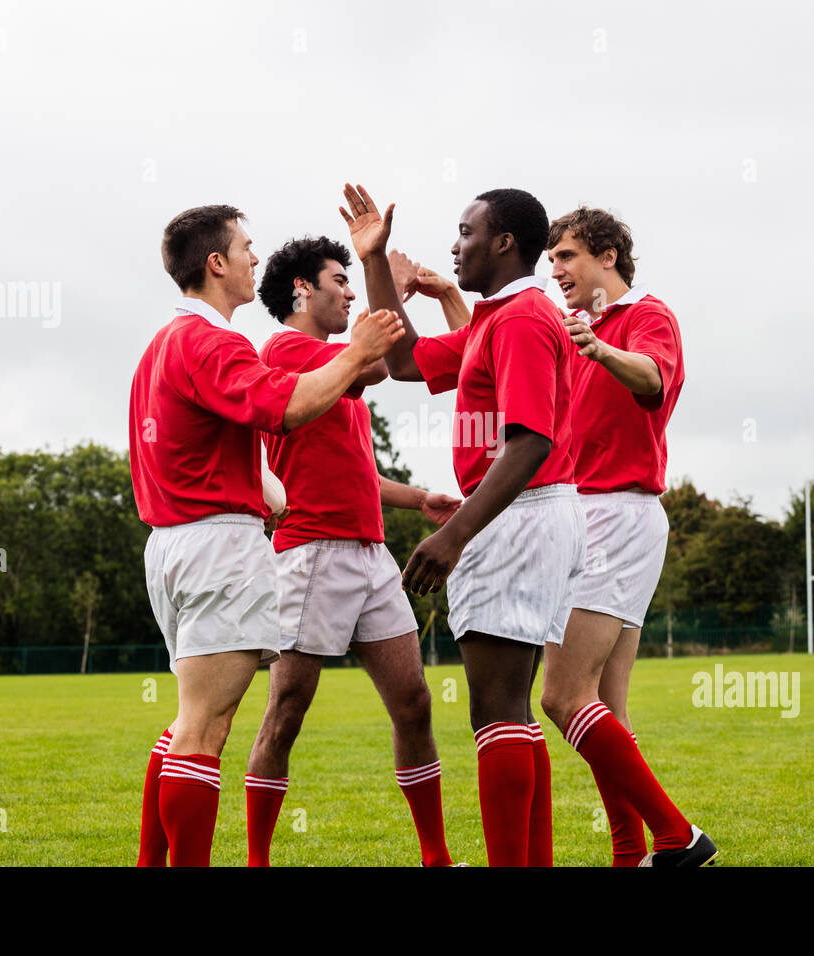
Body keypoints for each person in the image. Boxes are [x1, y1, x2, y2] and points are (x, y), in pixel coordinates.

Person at [129, 204, 403, 866]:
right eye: (246, 248)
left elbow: (221, 445)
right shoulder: (213, 341)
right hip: (216, 547)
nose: (257, 258)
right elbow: (286, 409)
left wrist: (265, 491)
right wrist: (358, 352)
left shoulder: (160, 346)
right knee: (206, 728)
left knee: (186, 723)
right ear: (216, 263)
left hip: (174, 545)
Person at [341, 182, 584, 867]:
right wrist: (374, 259)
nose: (455, 245)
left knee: (496, 712)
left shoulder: (523, 321)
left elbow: (531, 440)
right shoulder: (492, 320)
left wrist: (453, 535)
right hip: (530, 517)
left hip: (520, 516)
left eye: (466, 231)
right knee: (512, 708)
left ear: (505, 243)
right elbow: (405, 360)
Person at [243, 234, 463, 867]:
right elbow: (377, 359)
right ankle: (258, 861)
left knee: (414, 703)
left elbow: (356, 465)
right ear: (301, 290)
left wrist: (418, 497)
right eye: (337, 279)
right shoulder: (285, 349)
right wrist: (380, 274)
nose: (346, 291)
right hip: (311, 552)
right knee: (286, 712)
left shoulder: (333, 364)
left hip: (368, 555)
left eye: (350, 279)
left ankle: (436, 859)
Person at [540, 206, 717, 867]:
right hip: (587, 516)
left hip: (617, 513)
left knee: (560, 697)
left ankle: (676, 836)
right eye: (552, 259)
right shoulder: (572, 329)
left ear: (607, 256)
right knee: (603, 705)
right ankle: (628, 853)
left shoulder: (647, 316)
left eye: (566, 256)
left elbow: (653, 381)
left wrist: (602, 348)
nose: (555, 270)